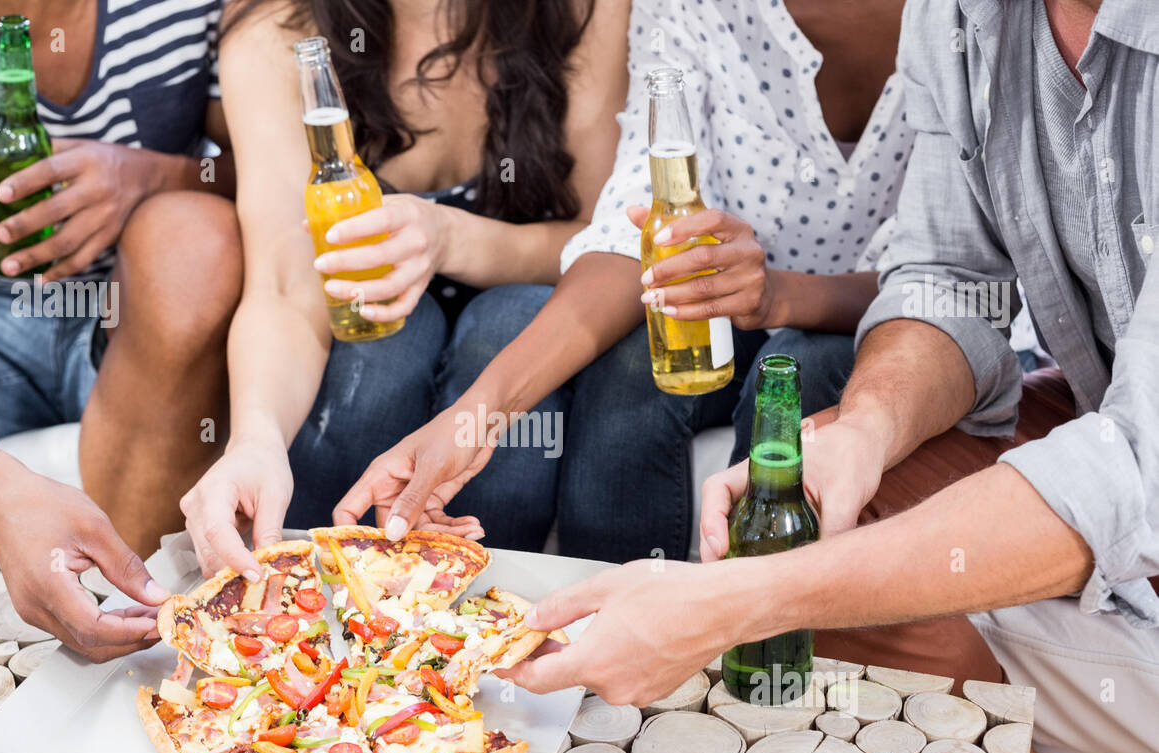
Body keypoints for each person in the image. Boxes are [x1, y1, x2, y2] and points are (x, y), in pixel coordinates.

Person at [501, 0, 1153, 753]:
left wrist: (733, 604)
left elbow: (1134, 471)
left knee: (800, 580)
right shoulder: (964, 13)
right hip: (1105, 413)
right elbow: (947, 278)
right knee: (809, 518)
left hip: (1135, 456)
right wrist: (867, 427)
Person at [337, 0, 918, 564]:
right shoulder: (687, 9)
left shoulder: (969, 24)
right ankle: (593, 631)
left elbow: (951, 280)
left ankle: (762, 643)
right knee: (631, 375)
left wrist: (776, 295)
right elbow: (626, 236)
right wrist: (474, 417)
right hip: (724, 315)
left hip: (887, 325)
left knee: (801, 367)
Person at [180, 0, 630, 578]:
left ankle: (496, 612)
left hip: (535, 319)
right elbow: (285, 284)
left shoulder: (582, 12)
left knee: (506, 320)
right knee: (384, 339)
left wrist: (448, 239)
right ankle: (320, 604)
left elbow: (608, 239)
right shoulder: (278, 31)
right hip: (363, 334)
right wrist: (254, 438)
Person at [0, 0, 241, 659]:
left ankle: (130, 605)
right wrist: (0, 495)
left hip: (134, 303)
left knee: (197, 241)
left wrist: (150, 175)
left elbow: (283, 174)